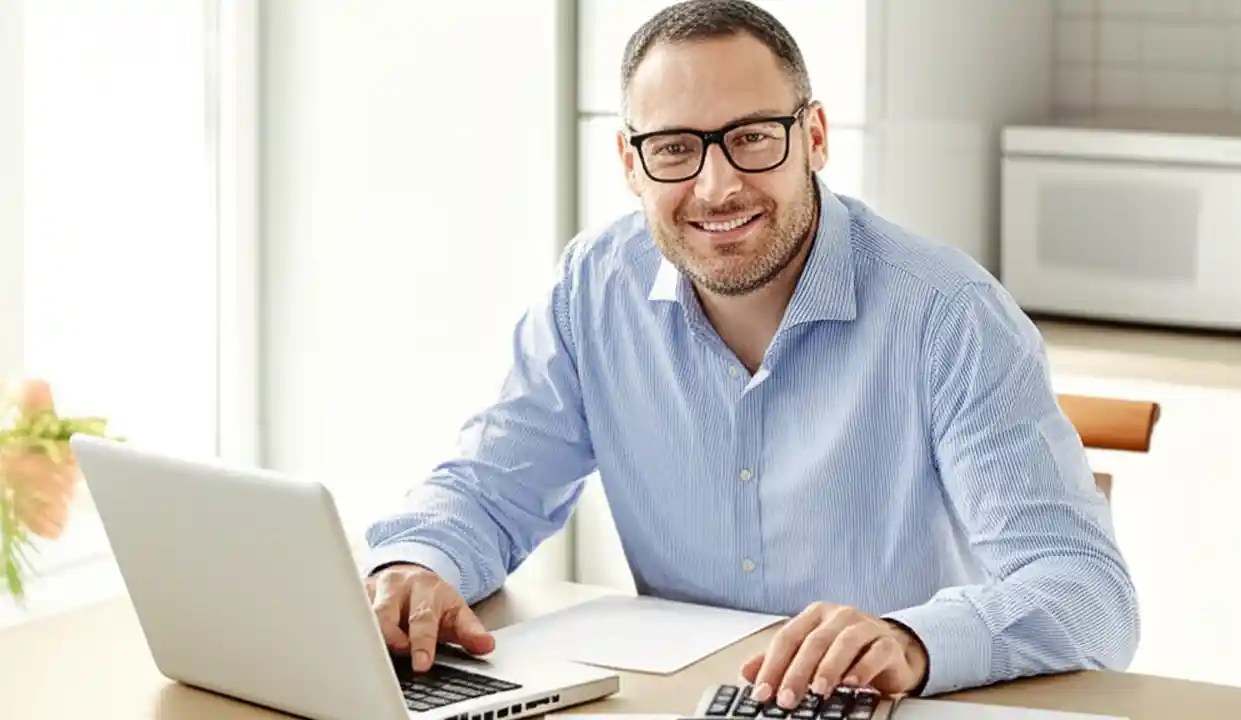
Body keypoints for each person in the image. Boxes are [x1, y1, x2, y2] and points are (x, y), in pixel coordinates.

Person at [359, 0, 1139, 705]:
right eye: (674, 149)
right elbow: (491, 490)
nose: (716, 186)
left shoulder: (950, 316)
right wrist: (416, 566)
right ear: (632, 164)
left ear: (816, 138)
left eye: (753, 138)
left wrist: (912, 639)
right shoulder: (592, 288)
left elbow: (1086, 593)